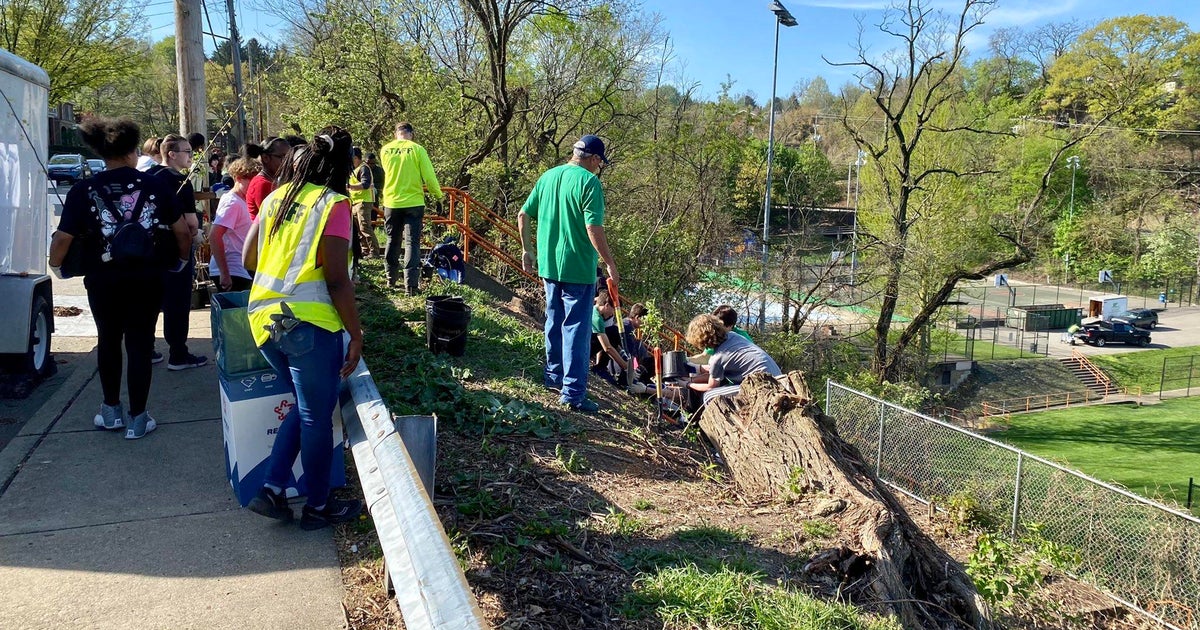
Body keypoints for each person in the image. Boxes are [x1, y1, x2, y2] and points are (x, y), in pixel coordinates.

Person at [242, 126, 364, 530]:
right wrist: (356, 334)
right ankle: (317, 507)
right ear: (344, 166)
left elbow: (248, 261)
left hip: (264, 320)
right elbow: (335, 279)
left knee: (304, 404)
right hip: (308, 325)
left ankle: (272, 490)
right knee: (315, 415)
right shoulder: (334, 205)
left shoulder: (277, 197)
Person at [47, 117, 191, 439]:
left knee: (108, 339)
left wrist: (57, 267)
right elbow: (183, 231)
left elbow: (61, 239)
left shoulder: (84, 189)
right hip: (147, 276)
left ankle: (110, 410)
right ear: (132, 150)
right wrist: (180, 261)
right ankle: (138, 418)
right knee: (140, 343)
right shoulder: (156, 185)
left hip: (103, 279)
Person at [518, 134, 619, 413]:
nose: (599, 168)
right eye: (600, 163)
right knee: (576, 328)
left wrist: (527, 250)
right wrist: (609, 262)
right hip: (578, 267)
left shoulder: (548, 176)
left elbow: (523, 215)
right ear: (595, 159)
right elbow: (593, 228)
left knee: (554, 319)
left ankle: (553, 376)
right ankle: (573, 393)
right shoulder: (590, 182)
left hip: (549, 265)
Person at [149, 134, 208, 371]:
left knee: (150, 301)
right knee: (177, 303)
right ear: (171, 154)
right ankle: (178, 354)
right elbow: (191, 223)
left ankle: (148, 348)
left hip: (148, 249)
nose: (191, 157)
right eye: (187, 152)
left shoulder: (148, 177)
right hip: (175, 248)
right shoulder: (180, 182)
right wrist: (197, 237)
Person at [379, 122, 442, 293]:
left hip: (391, 201)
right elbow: (429, 177)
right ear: (411, 134)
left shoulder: (385, 150)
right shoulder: (417, 150)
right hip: (414, 202)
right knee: (412, 242)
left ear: (396, 134)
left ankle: (390, 279)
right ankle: (411, 286)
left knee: (392, 240)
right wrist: (438, 196)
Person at [681, 314, 781, 409]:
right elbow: (719, 367)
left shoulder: (718, 357)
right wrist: (694, 369)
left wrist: (687, 384)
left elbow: (710, 387)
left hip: (763, 386)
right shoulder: (733, 336)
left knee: (709, 396)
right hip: (777, 379)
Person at [209, 157, 259, 292]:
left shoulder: (245, 201)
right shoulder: (232, 202)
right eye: (250, 179)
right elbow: (214, 236)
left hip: (242, 269)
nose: (255, 184)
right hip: (233, 271)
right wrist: (224, 273)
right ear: (238, 178)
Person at [245, 137, 291, 220]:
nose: (287, 162)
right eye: (282, 157)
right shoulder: (262, 184)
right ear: (265, 158)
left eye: (289, 157)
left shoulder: (273, 180)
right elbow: (272, 217)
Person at [348, 147, 378, 259]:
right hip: (355, 201)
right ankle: (365, 250)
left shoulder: (363, 168)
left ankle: (374, 252)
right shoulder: (354, 169)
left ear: (355, 157)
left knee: (365, 227)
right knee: (359, 229)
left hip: (364, 201)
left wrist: (350, 187)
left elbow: (365, 185)